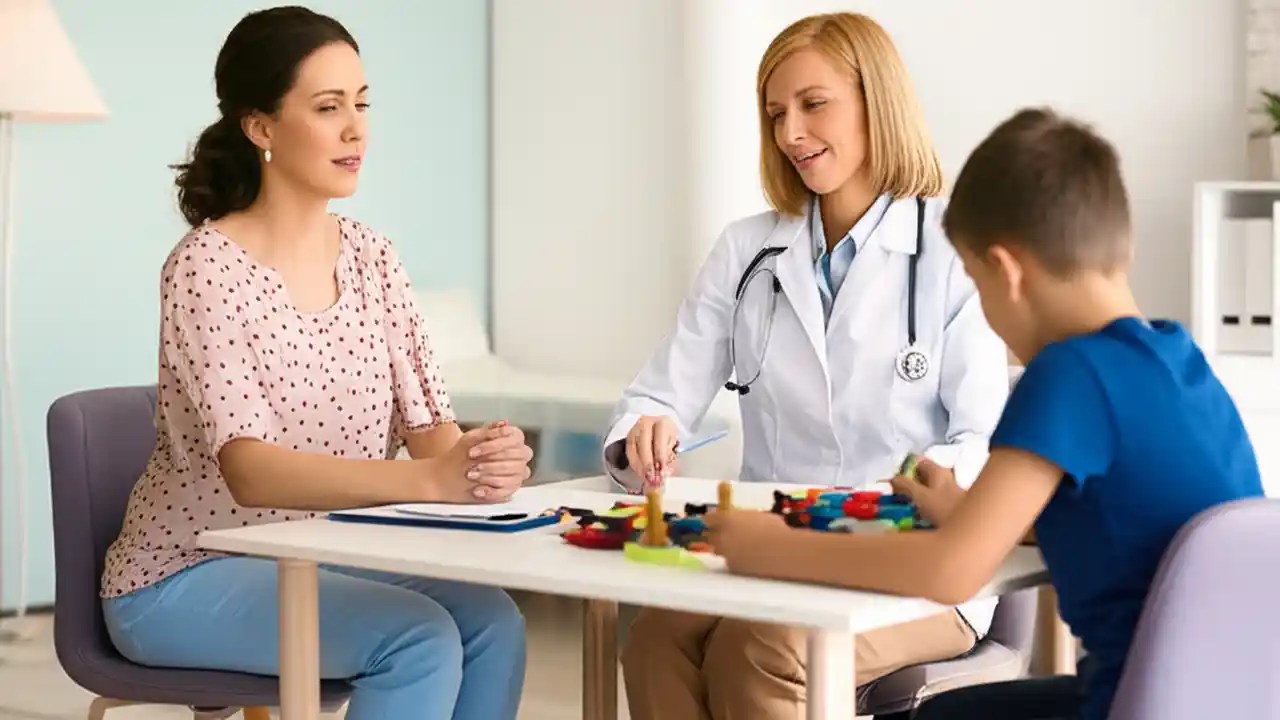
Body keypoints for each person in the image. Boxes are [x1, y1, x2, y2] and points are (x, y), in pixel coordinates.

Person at [707, 107, 1266, 720]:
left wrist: (771, 548)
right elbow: (1124, 520)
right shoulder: (1178, 360)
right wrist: (967, 512)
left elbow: (950, 573)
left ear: (1005, 271)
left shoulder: (1069, 376)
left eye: (974, 281)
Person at [99, 7, 530, 719]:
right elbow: (251, 468)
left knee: (493, 623)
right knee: (417, 641)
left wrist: (480, 461)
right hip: (184, 575)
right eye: (329, 107)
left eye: (362, 104)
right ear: (260, 126)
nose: (357, 128)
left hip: (312, 556)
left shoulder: (373, 257)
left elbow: (432, 437)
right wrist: (430, 477)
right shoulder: (206, 268)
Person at [606, 12, 1011, 720]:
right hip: (773, 553)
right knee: (651, 639)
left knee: (760, 649)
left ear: (875, 102)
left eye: (813, 104)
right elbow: (659, 394)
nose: (790, 132)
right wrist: (645, 430)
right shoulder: (747, 252)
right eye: (775, 114)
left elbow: (982, 442)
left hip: (912, 565)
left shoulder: (953, 250)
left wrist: (898, 494)